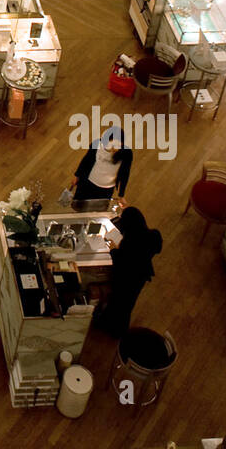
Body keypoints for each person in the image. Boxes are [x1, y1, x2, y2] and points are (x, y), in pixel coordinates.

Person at [94, 207, 163, 338]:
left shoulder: (130, 242)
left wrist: (113, 249)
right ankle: (118, 328)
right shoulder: (153, 235)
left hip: (126, 278)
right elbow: (157, 248)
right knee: (128, 304)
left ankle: (112, 329)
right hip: (141, 275)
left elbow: (120, 260)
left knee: (117, 303)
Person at [70, 126, 132, 205]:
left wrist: (121, 195)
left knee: (98, 210)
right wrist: (77, 176)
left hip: (106, 189)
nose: (115, 149)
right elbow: (86, 160)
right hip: (87, 183)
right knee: (79, 205)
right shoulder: (97, 144)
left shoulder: (127, 153)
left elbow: (125, 174)